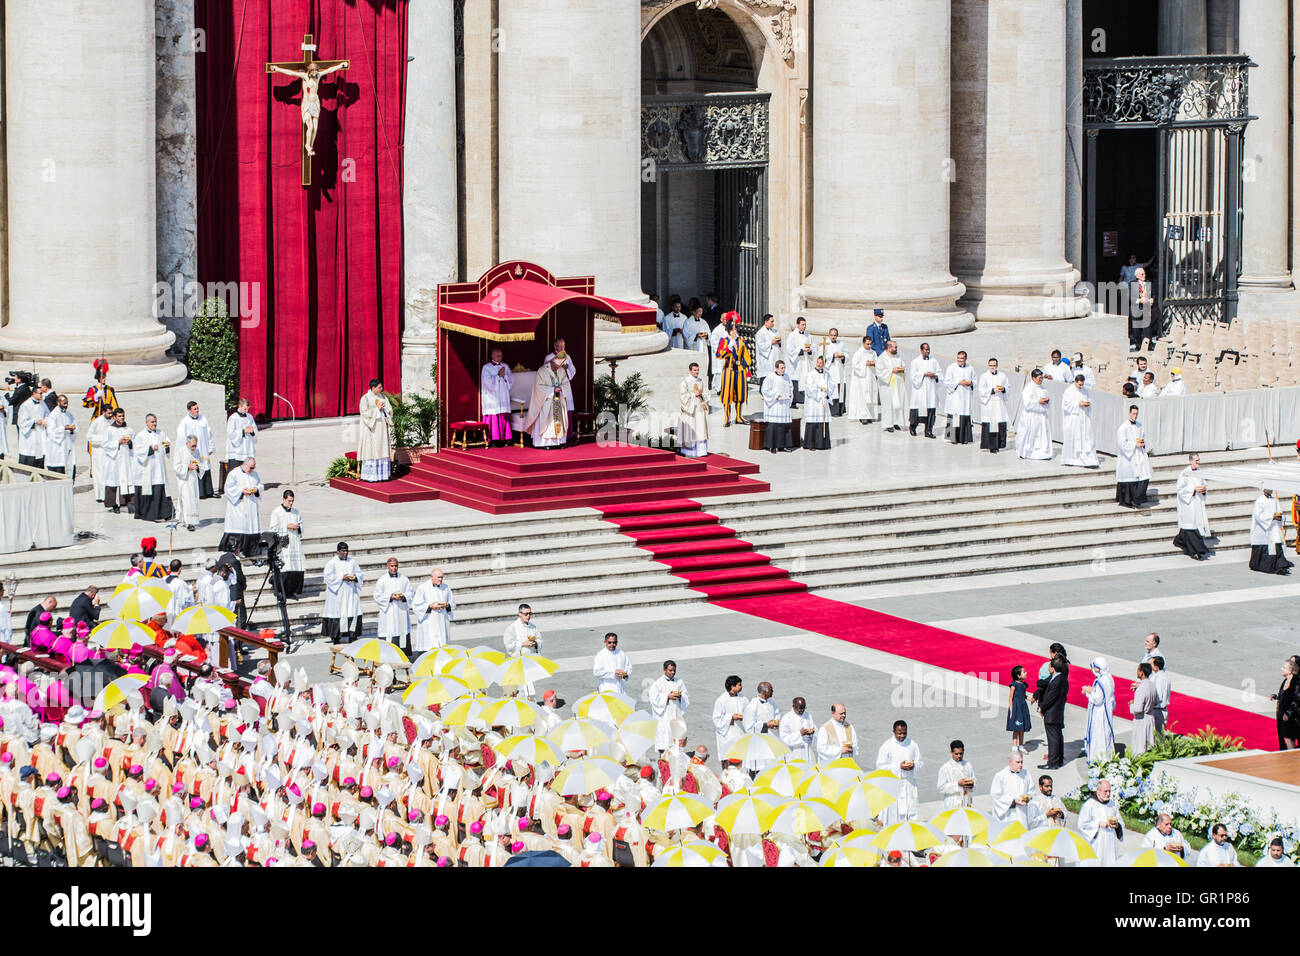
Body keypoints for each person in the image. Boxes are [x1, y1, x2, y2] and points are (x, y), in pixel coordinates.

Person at [876, 719, 921, 821]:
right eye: (899, 733)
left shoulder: (912, 744)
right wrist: (899, 766)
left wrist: (913, 765)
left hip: (909, 784)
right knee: (896, 815)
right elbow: (880, 766)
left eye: (904, 733)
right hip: (894, 785)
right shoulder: (887, 746)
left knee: (911, 813)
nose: (902, 736)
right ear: (893, 732)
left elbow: (920, 761)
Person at [132, 413, 174, 523]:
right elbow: (138, 451)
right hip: (148, 468)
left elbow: (167, 443)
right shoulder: (140, 435)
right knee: (149, 490)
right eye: (152, 422)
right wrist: (149, 449)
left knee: (161, 488)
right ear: (146, 423)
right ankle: (150, 514)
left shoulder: (161, 433)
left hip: (159, 467)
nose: (154, 424)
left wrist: (167, 446)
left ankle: (165, 513)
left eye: (155, 421)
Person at [524, 355, 569, 450]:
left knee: (558, 419)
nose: (557, 369)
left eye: (559, 367)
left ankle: (558, 442)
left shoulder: (561, 370)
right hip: (546, 401)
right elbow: (538, 387)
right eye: (556, 367)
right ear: (552, 362)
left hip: (558, 400)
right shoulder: (542, 371)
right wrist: (552, 390)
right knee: (547, 419)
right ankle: (545, 443)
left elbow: (566, 383)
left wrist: (561, 388)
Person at [322, 542, 364, 642]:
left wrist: (355, 577)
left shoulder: (352, 562)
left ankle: (352, 635)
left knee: (352, 611)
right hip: (338, 593)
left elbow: (359, 573)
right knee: (338, 613)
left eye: (346, 551)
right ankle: (336, 637)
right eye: (343, 551)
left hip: (350, 592)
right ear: (338, 551)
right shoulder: (331, 563)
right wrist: (342, 577)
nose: (345, 553)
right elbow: (328, 577)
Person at [176, 401, 218, 499]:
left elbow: (209, 433)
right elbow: (181, 437)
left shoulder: (203, 419)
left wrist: (211, 447)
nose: (197, 410)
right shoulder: (185, 422)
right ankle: (199, 493)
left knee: (205, 466)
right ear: (189, 410)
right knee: (196, 467)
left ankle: (208, 491)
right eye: (195, 409)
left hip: (203, 448)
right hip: (192, 449)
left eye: (198, 408)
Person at [267, 490, 304, 598]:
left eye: (292, 501)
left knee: (295, 567)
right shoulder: (276, 512)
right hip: (283, 543)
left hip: (295, 542)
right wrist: (286, 526)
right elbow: (272, 529)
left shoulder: (296, 512)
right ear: (283, 499)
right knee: (285, 567)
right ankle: (279, 589)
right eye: (289, 501)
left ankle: (290, 591)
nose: (291, 503)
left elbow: (301, 524)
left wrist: (298, 526)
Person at [1173, 454, 1212, 560]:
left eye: (1199, 460)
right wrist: (1193, 490)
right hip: (1188, 505)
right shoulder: (1184, 474)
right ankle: (1194, 551)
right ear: (1190, 461)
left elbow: (1205, 484)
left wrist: (1204, 490)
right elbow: (1180, 490)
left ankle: (1181, 541)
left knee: (1195, 526)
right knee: (1190, 527)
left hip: (1197, 503)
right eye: (1196, 461)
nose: (1198, 463)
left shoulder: (1200, 472)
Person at [1077, 780, 1123, 866]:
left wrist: (1117, 825)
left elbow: (1120, 821)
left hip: (1109, 844)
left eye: (1109, 791)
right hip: (1095, 844)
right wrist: (1097, 824)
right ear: (1098, 791)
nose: (1108, 794)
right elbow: (1081, 825)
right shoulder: (1089, 805)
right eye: (1105, 791)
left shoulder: (1112, 805)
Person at [373, 557, 415, 653]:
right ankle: (388, 654)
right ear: (388, 566)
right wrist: (390, 597)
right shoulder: (382, 580)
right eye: (392, 566)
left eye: (396, 566)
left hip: (401, 611)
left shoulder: (404, 578)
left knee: (402, 631)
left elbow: (410, 593)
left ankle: (403, 654)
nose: (394, 568)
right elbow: (377, 595)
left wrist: (403, 597)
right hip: (389, 611)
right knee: (389, 631)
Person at [221, 458, 263, 553]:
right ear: (244, 464)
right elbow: (228, 489)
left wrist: (256, 489)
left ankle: (251, 548)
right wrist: (242, 491)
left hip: (251, 503)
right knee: (240, 524)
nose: (253, 469)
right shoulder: (234, 474)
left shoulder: (254, 473)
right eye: (251, 467)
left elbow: (260, 485)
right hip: (238, 505)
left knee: (251, 525)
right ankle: (237, 548)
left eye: (254, 467)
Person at [98, 407, 135, 514]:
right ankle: (115, 504)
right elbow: (105, 444)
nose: (122, 418)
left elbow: (135, 442)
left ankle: (129, 503)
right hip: (115, 460)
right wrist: (118, 442)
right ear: (114, 417)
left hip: (127, 459)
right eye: (119, 416)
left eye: (123, 415)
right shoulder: (110, 430)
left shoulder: (129, 429)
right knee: (115, 480)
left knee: (128, 479)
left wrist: (129, 443)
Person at [1249, 489, 1294, 575]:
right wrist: (1271, 517)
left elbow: (1280, 512)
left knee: (1275, 545)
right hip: (1263, 528)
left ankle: (1279, 565)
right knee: (1267, 545)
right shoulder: (1260, 501)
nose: (1270, 490)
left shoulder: (1275, 500)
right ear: (1264, 490)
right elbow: (1258, 516)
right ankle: (1263, 565)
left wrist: (1279, 517)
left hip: (1274, 527)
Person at [717, 319, 753, 426]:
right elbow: (719, 355)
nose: (734, 331)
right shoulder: (724, 341)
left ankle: (739, 416)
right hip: (729, 370)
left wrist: (747, 370)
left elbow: (747, 357)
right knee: (727, 394)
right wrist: (728, 348)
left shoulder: (741, 341)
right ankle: (727, 418)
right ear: (728, 331)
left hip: (739, 370)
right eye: (732, 330)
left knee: (740, 393)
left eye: (735, 329)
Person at [1115, 406, 1152, 507]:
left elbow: (1143, 437)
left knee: (1144, 474)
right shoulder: (1123, 427)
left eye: (1137, 414)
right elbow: (1122, 443)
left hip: (1138, 455)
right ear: (1129, 413)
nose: (1135, 416)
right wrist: (1134, 444)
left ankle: (1138, 498)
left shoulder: (1140, 425)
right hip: (1128, 456)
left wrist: (1143, 443)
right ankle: (1127, 500)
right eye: (1134, 414)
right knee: (1129, 476)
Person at [358, 380, 393, 483]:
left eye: (381, 387)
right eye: (379, 387)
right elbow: (364, 413)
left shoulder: (383, 397)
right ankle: (371, 476)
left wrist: (384, 410)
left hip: (382, 428)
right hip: (371, 430)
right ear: (373, 388)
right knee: (372, 450)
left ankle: (383, 475)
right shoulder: (365, 398)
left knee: (382, 448)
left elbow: (390, 410)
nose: (381, 389)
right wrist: (377, 410)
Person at [412, 568, 455, 652]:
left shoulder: (446, 587)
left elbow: (452, 602)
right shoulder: (423, 588)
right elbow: (416, 605)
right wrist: (430, 606)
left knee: (443, 645)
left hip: (442, 619)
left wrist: (447, 605)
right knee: (430, 644)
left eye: (442, 577)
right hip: (429, 620)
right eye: (438, 577)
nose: (441, 579)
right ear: (431, 577)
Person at [649, 661, 688, 753]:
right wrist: (667, 697)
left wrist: (681, 697)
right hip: (664, 717)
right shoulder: (657, 684)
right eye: (670, 670)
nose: (672, 673)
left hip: (675, 714)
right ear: (664, 670)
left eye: (674, 671)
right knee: (663, 742)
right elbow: (653, 699)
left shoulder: (679, 682)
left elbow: (686, 696)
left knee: (676, 743)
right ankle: (662, 763)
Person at [1060, 374, 1099, 468]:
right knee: (1074, 438)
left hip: (1083, 418)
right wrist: (1078, 404)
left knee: (1085, 437)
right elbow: (1065, 406)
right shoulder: (1068, 391)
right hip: (1074, 418)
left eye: (1082, 384)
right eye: (1079, 384)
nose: (1081, 386)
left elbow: (1089, 400)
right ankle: (1071, 458)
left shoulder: (1085, 391)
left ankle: (1086, 457)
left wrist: (1088, 404)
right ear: (1075, 382)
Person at [1083, 657, 1116, 763]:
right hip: (1107, 709)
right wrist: (1093, 690)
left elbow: (1097, 699)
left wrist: (1088, 692)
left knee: (1099, 734)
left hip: (1100, 712)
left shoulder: (1101, 681)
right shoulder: (1109, 678)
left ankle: (1098, 758)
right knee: (1105, 734)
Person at [480, 349, 514, 448]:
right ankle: (493, 440)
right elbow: (488, 383)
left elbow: (511, 380)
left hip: (503, 395)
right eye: (497, 355)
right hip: (492, 397)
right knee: (493, 417)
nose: (499, 357)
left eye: (500, 355)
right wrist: (498, 376)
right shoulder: (486, 367)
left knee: (503, 416)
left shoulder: (505, 366)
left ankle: (504, 439)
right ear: (492, 355)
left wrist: (505, 377)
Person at [989, 751, 1033, 828]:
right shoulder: (1000, 776)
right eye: (1018, 762)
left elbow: (1032, 790)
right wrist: (1013, 801)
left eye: (1022, 762)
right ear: (1010, 762)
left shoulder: (1026, 774)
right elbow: (995, 796)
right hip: (1008, 815)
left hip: (1022, 814)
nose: (1021, 765)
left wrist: (1028, 797)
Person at [1015, 369, 1052, 460]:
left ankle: (1042, 451)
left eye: (1042, 378)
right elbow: (1027, 403)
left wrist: (1046, 401)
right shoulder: (1028, 388)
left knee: (1042, 435)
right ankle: (1028, 451)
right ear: (1033, 378)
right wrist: (1038, 401)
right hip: (1031, 415)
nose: (1041, 380)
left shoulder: (1043, 388)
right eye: (1039, 378)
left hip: (1041, 415)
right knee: (1031, 434)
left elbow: (1047, 398)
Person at [173, 435, 207, 531]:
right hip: (184, 480)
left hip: (193, 480)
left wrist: (198, 467)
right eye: (193, 446)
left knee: (193, 500)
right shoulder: (181, 451)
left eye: (195, 445)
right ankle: (188, 522)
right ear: (187, 443)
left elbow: (201, 464)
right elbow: (176, 466)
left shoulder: (196, 452)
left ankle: (192, 520)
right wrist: (187, 467)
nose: (194, 448)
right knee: (186, 500)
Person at [908, 342, 941, 438]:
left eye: (928, 349)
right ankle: (913, 426)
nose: (927, 351)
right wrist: (924, 374)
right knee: (917, 410)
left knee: (930, 410)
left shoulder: (934, 361)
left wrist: (935, 376)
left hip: (930, 389)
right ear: (921, 350)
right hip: (920, 390)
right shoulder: (915, 362)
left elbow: (939, 373)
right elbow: (913, 377)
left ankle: (928, 430)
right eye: (925, 349)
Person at [712, 676, 746, 765]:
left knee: (741, 758)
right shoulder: (721, 700)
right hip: (727, 734)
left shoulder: (743, 698)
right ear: (732, 686)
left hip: (740, 732)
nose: (741, 686)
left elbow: (748, 710)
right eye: (739, 685)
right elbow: (716, 719)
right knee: (728, 758)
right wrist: (731, 717)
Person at [760, 360, 793, 453]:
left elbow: (791, 387)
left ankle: (783, 446)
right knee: (774, 426)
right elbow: (765, 390)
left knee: (784, 426)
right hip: (775, 406)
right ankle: (772, 446)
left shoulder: (787, 377)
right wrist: (775, 396)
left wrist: (790, 395)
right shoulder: (770, 377)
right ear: (776, 368)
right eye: (781, 368)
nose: (783, 370)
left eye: (784, 367)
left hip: (784, 405)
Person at [977, 358, 1009, 453]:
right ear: (988, 366)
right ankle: (991, 446)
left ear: (997, 366)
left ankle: (998, 445)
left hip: (999, 403)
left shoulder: (1002, 376)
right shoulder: (984, 376)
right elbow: (981, 390)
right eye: (990, 365)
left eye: (994, 365)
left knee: (999, 423)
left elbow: (1008, 387)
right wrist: (992, 390)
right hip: (989, 403)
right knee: (990, 424)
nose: (992, 367)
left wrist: (1003, 389)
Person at [42, 393, 78, 478]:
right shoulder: (53, 415)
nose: (66, 405)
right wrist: (64, 428)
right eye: (64, 403)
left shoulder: (69, 414)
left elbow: (75, 426)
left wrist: (72, 429)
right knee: (58, 472)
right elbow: (51, 431)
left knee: (69, 468)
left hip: (67, 446)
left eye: (67, 403)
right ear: (58, 403)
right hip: (56, 448)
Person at [942, 351, 974, 444]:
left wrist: (971, 383)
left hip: (965, 396)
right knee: (954, 415)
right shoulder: (951, 367)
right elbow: (947, 382)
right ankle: (953, 438)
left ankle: (964, 438)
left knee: (964, 414)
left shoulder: (970, 368)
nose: (960, 360)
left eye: (962, 358)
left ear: (966, 359)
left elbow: (974, 380)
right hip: (955, 396)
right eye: (958, 358)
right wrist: (959, 382)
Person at [801, 355, 832, 450]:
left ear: (824, 364)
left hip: (823, 402)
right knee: (813, 421)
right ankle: (810, 444)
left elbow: (831, 386)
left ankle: (822, 444)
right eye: (818, 362)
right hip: (814, 402)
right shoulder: (811, 374)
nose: (819, 364)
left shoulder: (827, 374)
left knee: (822, 421)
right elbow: (810, 388)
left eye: (821, 363)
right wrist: (819, 395)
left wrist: (827, 394)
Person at [876, 341, 908, 432]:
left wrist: (901, 369)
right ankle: (888, 424)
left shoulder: (898, 357)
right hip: (887, 386)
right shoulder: (882, 358)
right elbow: (879, 372)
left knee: (898, 403)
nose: (896, 349)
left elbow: (903, 366)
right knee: (888, 404)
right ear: (889, 348)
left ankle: (896, 422)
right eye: (895, 347)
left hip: (898, 385)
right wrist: (892, 370)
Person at [847, 334, 879, 424]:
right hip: (862, 378)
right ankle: (863, 416)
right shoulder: (859, 353)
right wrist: (865, 364)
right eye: (867, 344)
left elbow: (877, 362)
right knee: (863, 396)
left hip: (871, 377)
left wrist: (873, 363)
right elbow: (855, 365)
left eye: (870, 344)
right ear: (863, 343)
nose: (869, 346)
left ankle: (870, 415)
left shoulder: (873, 353)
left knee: (871, 395)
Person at [678, 363, 709, 457]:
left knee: (700, 429)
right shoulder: (685, 382)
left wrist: (702, 394)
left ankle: (701, 451)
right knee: (691, 430)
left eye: (697, 370)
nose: (697, 372)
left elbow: (707, 393)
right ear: (690, 371)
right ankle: (689, 451)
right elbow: (682, 396)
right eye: (695, 370)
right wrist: (693, 395)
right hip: (690, 410)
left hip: (699, 408)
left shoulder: (701, 381)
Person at [16, 381, 48, 468]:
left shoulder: (42, 403)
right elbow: (21, 422)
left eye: (42, 393)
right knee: (29, 456)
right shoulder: (26, 405)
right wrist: (34, 422)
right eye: (40, 393)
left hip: (40, 433)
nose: (42, 395)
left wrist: (45, 421)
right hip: (30, 435)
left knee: (40, 455)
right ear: (34, 393)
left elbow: (48, 415)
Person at [936, 740, 975, 809]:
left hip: (966, 800)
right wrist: (957, 784)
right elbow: (941, 788)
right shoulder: (945, 768)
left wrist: (972, 784)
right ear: (951, 752)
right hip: (952, 801)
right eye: (956, 754)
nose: (959, 756)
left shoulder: (968, 765)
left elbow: (974, 779)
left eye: (961, 753)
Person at [1270, 656, 1299, 750]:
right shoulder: (1286, 680)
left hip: (1291, 717)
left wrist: (1288, 713)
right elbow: (1285, 696)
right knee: (1287, 738)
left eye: (1284, 668)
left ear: (1290, 670)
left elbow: (1297, 699)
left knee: (1290, 738)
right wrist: (1275, 696)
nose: (1282, 669)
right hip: (1283, 716)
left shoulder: (1295, 682)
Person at [225, 398, 257, 482]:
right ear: (239, 406)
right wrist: (243, 431)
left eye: (247, 409)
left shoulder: (250, 417)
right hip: (237, 448)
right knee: (235, 469)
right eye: (245, 408)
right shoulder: (233, 418)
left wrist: (252, 431)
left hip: (247, 447)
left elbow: (255, 429)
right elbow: (230, 433)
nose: (246, 411)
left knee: (247, 467)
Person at [783, 317, 813, 407]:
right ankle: (795, 400)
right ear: (798, 325)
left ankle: (805, 398)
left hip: (805, 361)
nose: (804, 326)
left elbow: (813, 347)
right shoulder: (792, 335)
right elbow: (790, 350)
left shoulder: (808, 335)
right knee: (796, 379)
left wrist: (810, 350)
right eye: (802, 324)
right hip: (796, 362)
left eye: (805, 324)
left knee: (805, 378)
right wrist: (801, 350)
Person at [778, 696, 817, 763]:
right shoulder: (787, 718)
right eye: (800, 708)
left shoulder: (807, 715)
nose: (802, 710)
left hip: (807, 750)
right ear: (793, 706)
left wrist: (811, 733)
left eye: (803, 708)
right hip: (794, 752)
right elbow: (784, 738)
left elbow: (814, 728)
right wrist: (799, 734)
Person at [1129, 663, 1157, 755]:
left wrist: (1131, 704)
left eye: (1138, 670)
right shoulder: (1152, 685)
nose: (1136, 672)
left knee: (1140, 748)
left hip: (1141, 721)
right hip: (1150, 718)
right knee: (1149, 746)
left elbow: (1137, 709)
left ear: (1142, 673)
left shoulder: (1142, 688)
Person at [1128, 266, 1156, 350]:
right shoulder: (1132, 284)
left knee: (1147, 328)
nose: (1144, 275)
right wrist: (1139, 300)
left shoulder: (1148, 283)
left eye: (1144, 273)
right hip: (1136, 308)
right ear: (1137, 276)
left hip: (1146, 308)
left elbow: (1154, 293)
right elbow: (1130, 297)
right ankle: (1139, 345)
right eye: (1142, 274)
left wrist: (1152, 299)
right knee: (1137, 329)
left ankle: (1148, 345)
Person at [682, 308, 712, 384]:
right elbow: (686, 335)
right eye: (698, 311)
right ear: (693, 312)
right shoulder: (688, 322)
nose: (700, 313)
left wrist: (706, 336)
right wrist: (695, 336)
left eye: (701, 312)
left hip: (702, 346)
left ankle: (703, 380)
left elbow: (709, 334)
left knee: (703, 364)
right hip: (693, 346)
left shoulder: (704, 322)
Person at [1006, 665, 1031, 752]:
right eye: (1024, 672)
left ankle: (1021, 745)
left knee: (1022, 728)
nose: (1026, 673)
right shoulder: (1014, 685)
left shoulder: (1023, 685)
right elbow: (1010, 698)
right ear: (1018, 675)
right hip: (1016, 708)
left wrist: (1030, 699)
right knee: (1017, 728)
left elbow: (1023, 695)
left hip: (1023, 707)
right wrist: (1012, 711)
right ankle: (1014, 746)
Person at [754, 314, 780, 385]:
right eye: (771, 322)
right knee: (766, 375)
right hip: (766, 357)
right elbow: (761, 346)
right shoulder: (760, 333)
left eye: (773, 321)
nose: (773, 323)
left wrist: (779, 342)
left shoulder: (775, 331)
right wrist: (771, 343)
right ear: (766, 322)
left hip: (775, 355)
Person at [1150, 656, 1171, 734]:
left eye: (1151, 664)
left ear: (1156, 667)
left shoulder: (1159, 679)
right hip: (1162, 710)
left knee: (1157, 737)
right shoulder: (1165, 676)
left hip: (1158, 711)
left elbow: (1158, 696)